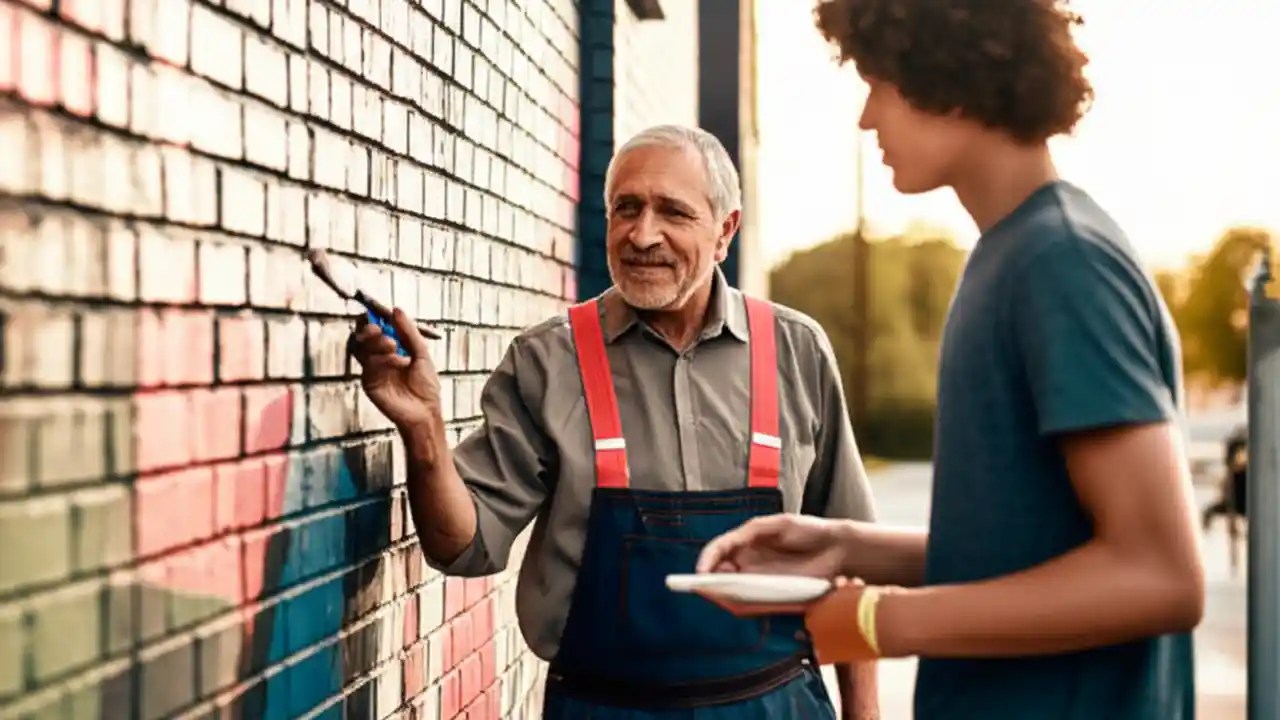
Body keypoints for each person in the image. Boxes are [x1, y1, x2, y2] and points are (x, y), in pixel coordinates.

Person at [694, 2, 1206, 719]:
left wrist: (880, 621)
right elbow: (1029, 545)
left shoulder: (1063, 262)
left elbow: (1159, 577)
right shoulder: (1010, 255)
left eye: (880, 83)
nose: (866, 118)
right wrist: (844, 548)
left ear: (950, 73)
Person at [347, 124, 881, 718]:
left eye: (673, 213)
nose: (642, 234)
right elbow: (461, 548)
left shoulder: (795, 351)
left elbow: (852, 566)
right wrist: (422, 427)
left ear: (725, 230)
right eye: (626, 208)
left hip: (774, 705)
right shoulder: (548, 361)